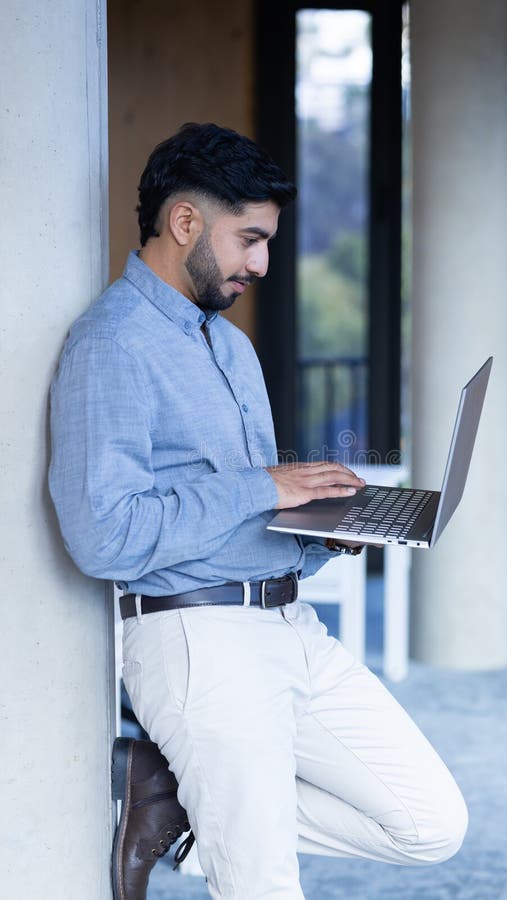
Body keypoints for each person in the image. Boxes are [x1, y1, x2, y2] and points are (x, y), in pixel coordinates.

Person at [49, 123, 468, 900]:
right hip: (197, 639)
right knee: (264, 885)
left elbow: (252, 512)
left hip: (289, 625)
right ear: (184, 223)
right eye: (250, 239)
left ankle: (177, 803)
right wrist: (265, 487)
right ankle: (206, 805)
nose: (261, 263)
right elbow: (103, 535)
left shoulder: (230, 347)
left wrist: (326, 529)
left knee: (430, 822)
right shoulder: (111, 346)